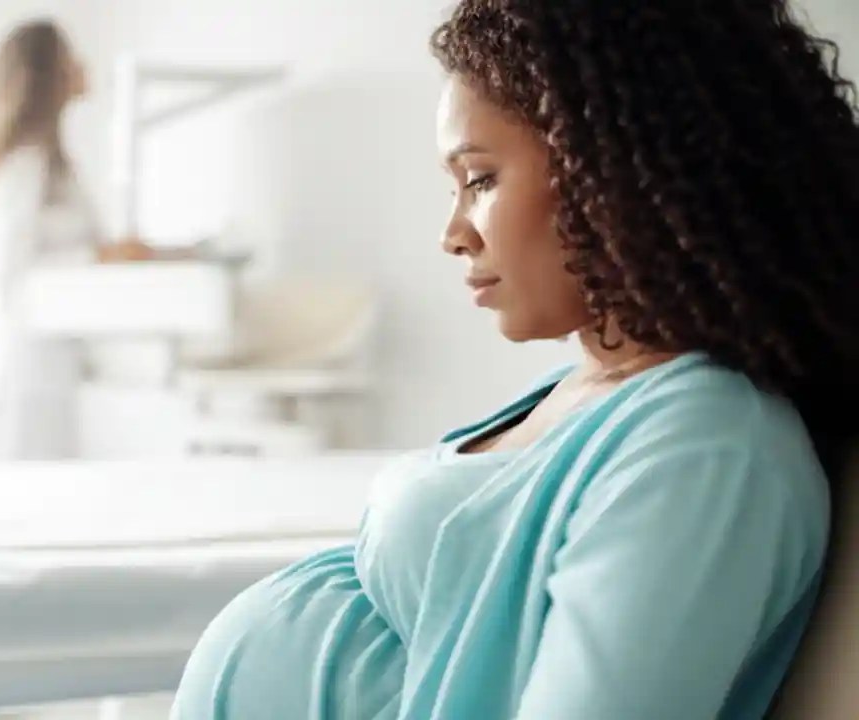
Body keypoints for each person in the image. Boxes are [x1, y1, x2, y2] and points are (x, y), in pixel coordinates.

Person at [170, 1, 859, 718]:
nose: (453, 233)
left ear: (612, 167)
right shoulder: (594, 389)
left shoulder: (710, 447)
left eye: (481, 179)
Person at [0, 19, 101, 461]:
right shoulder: (24, 166)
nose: (82, 65)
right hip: (28, 362)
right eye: (69, 57)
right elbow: (13, 269)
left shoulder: (57, 165)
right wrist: (97, 258)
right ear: (49, 75)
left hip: (57, 360)